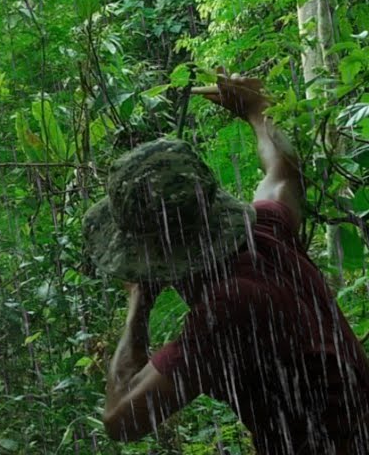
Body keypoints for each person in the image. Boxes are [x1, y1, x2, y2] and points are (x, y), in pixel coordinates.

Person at [86, 71, 369, 454]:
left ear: (152, 259)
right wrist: (256, 108)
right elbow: (283, 170)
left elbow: (121, 420)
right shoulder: (265, 230)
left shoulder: (227, 312)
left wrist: (139, 302)